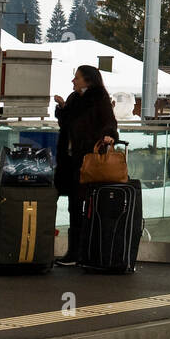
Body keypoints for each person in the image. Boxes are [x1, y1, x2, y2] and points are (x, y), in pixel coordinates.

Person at [53, 65, 119, 267]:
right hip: (72, 159)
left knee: (84, 204)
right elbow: (66, 124)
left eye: (77, 78)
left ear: (88, 80)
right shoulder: (74, 98)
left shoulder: (98, 98)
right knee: (75, 204)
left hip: (89, 160)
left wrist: (109, 136)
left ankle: (83, 251)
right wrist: (62, 108)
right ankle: (76, 251)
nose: (73, 81)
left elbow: (109, 122)